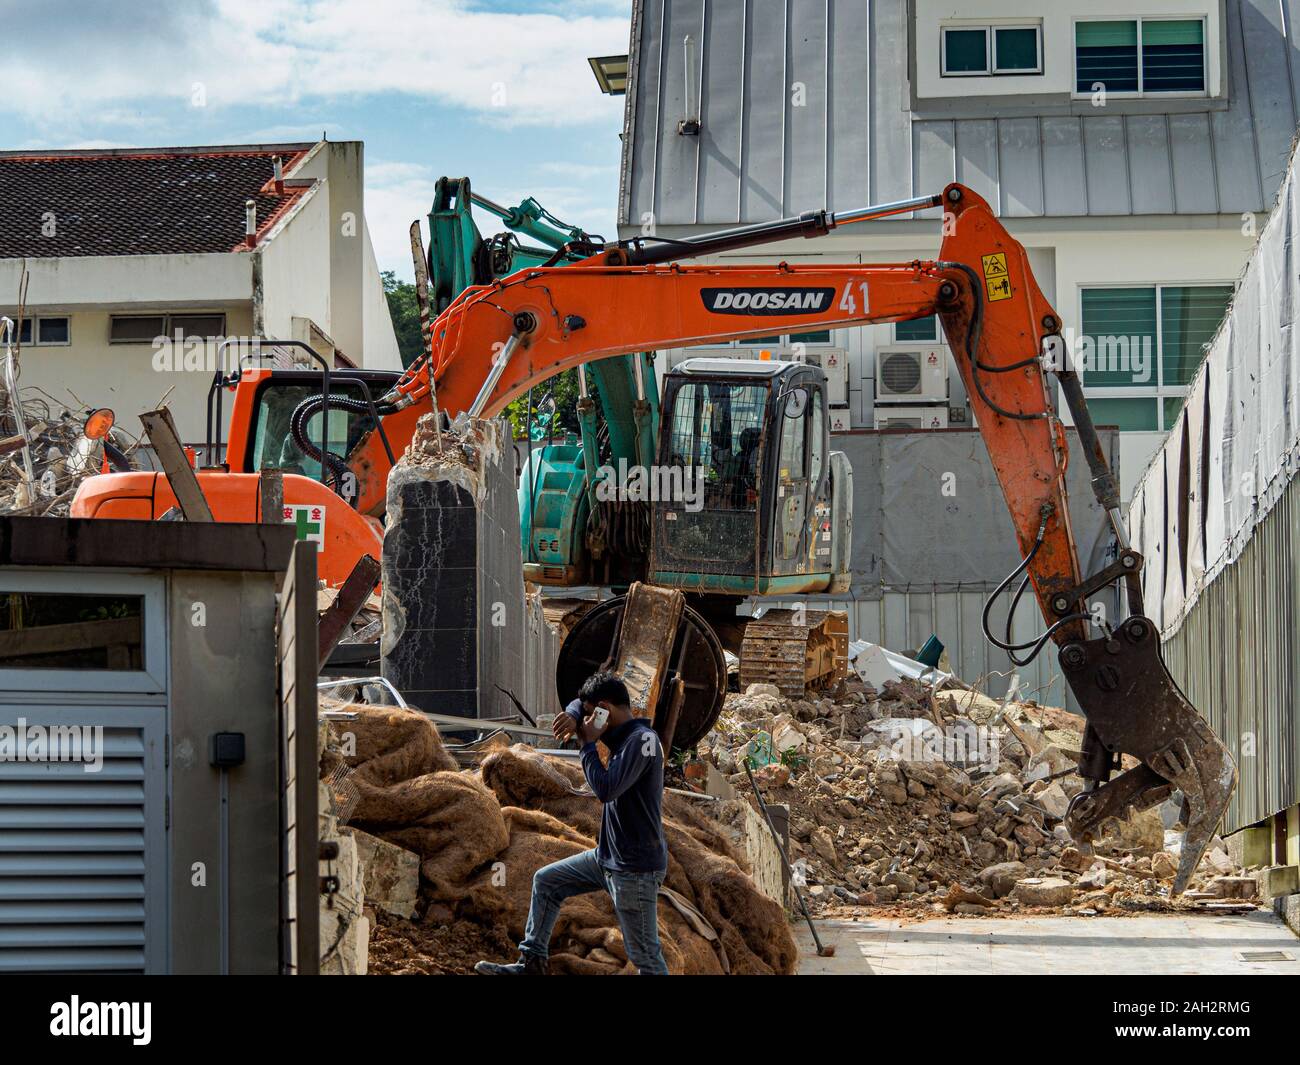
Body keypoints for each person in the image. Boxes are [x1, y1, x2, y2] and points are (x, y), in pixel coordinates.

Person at [474, 670, 669, 975]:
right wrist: (572, 712)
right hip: (607, 859)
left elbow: (606, 789)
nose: (587, 722)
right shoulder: (623, 736)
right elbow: (581, 701)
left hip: (634, 869)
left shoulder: (642, 742)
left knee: (646, 958)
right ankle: (532, 963)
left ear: (606, 708)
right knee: (546, 882)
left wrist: (588, 745)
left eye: (593, 715)